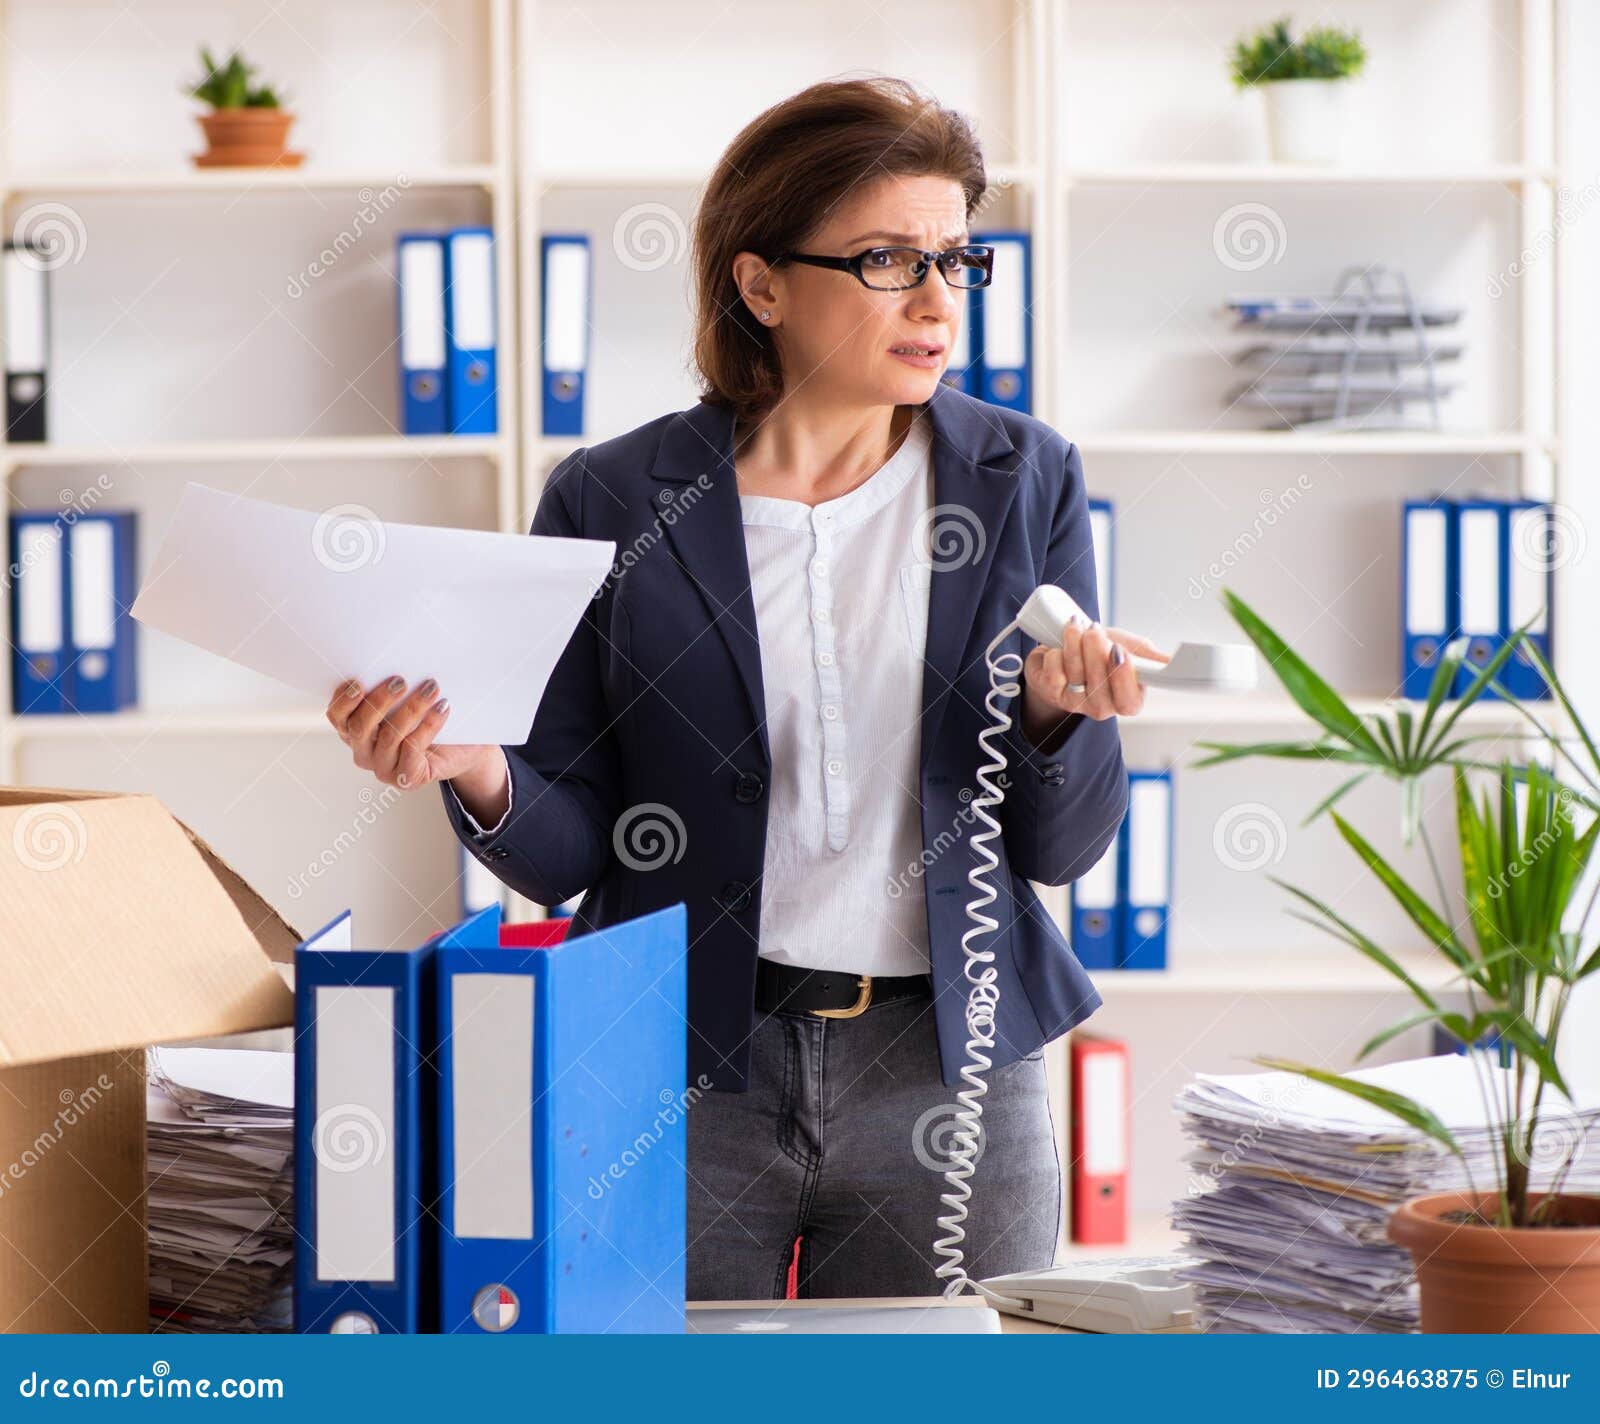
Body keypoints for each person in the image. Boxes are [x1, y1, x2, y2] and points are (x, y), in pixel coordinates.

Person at [327, 76, 1167, 1302]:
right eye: (888, 260)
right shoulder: (612, 499)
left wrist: (1053, 718)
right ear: (758, 281)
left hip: (949, 1067)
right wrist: (475, 767)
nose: (938, 303)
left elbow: (1063, 838)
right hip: (678, 1063)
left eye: (957, 259)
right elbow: (565, 849)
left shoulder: (1019, 476)